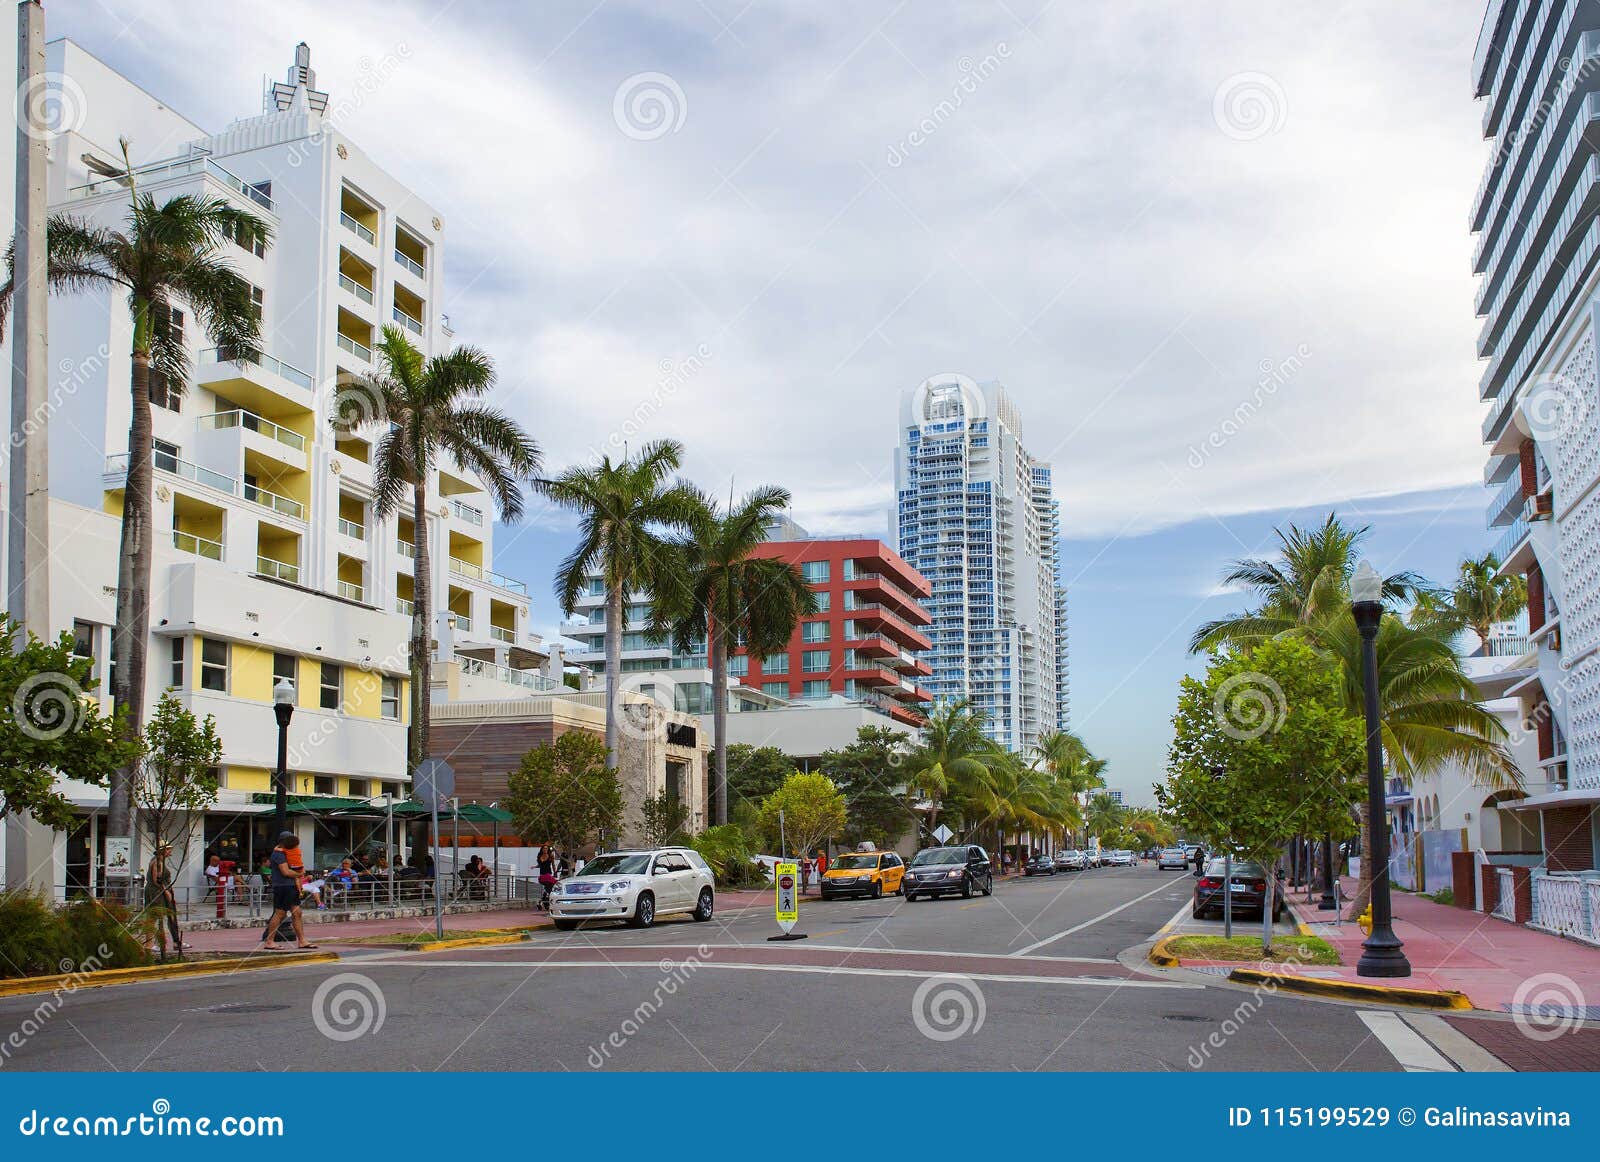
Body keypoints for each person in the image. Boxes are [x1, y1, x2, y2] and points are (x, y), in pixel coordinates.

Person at [259, 833, 317, 951]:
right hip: (283, 886)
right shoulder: (279, 854)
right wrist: (300, 874)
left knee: (297, 913)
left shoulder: (287, 852)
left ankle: (302, 941)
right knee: (280, 913)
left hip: (291, 886)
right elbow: (285, 872)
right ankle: (269, 941)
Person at [146, 844, 184, 952]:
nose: (170, 851)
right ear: (163, 851)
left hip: (160, 890)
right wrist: (166, 891)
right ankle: (150, 944)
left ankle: (175, 941)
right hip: (156, 892)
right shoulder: (157, 863)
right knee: (153, 916)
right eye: (168, 849)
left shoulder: (159, 862)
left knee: (167, 915)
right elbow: (157, 879)